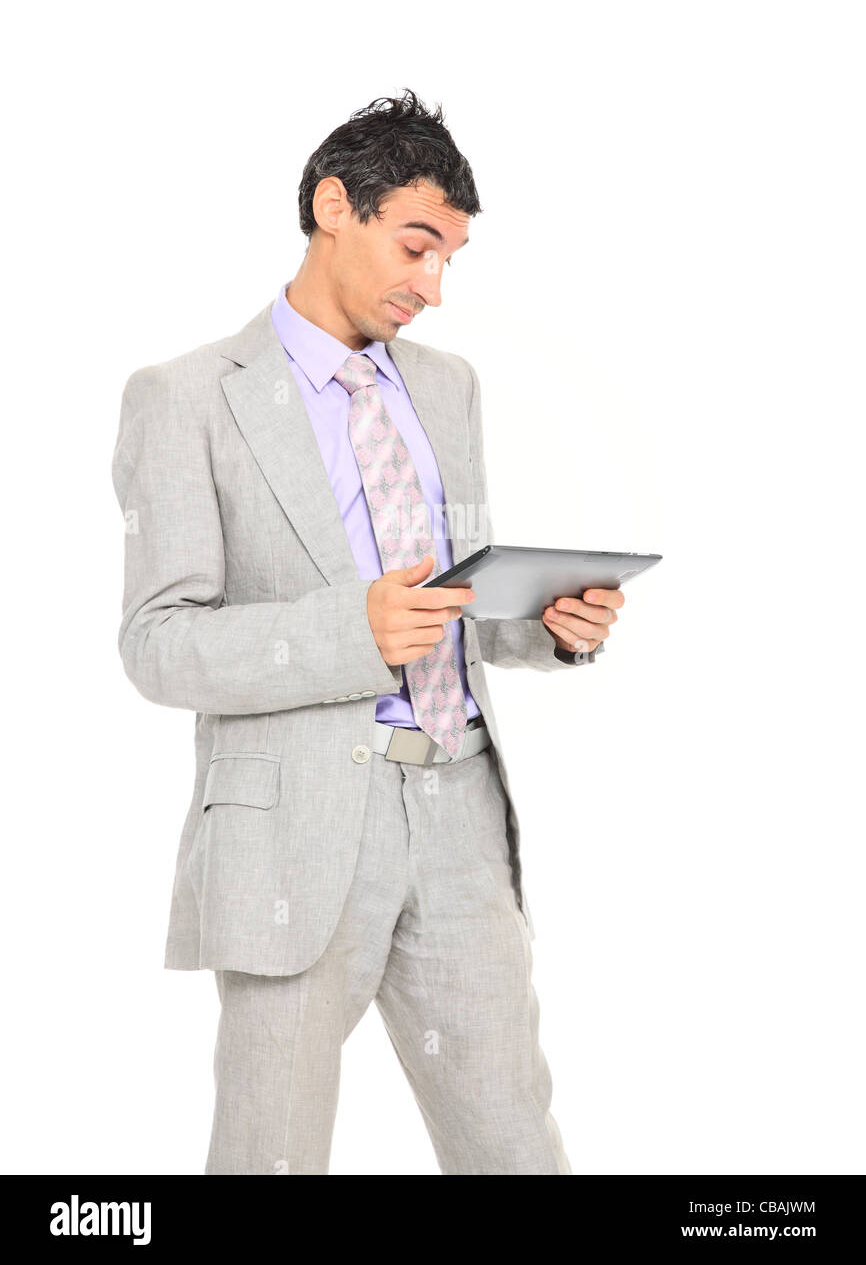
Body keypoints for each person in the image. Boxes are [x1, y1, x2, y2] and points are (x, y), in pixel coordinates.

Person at [112, 88, 625, 1175]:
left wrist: (552, 626)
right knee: (271, 1153)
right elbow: (158, 643)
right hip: (292, 823)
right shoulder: (186, 396)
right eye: (417, 245)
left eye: (450, 259)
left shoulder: (446, 389)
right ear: (332, 203)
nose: (432, 286)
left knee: (512, 1144)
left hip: (458, 810)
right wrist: (350, 630)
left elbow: (454, 607)